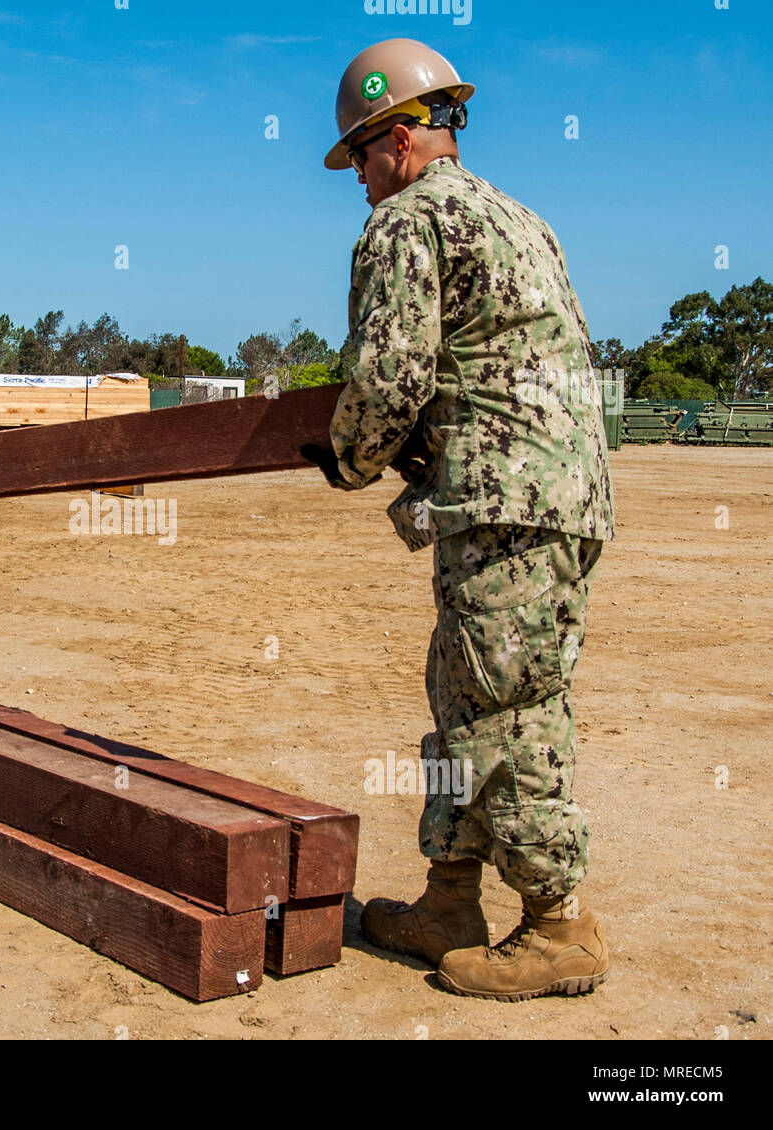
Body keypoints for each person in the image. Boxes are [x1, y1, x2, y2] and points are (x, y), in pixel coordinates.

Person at [308, 39, 615, 1000]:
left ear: (398, 139)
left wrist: (348, 457)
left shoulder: (410, 220)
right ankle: (450, 897)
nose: (358, 181)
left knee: (510, 711)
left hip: (505, 503)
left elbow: (388, 373)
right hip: (541, 500)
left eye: (359, 157)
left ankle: (559, 924)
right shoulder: (521, 217)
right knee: (466, 697)